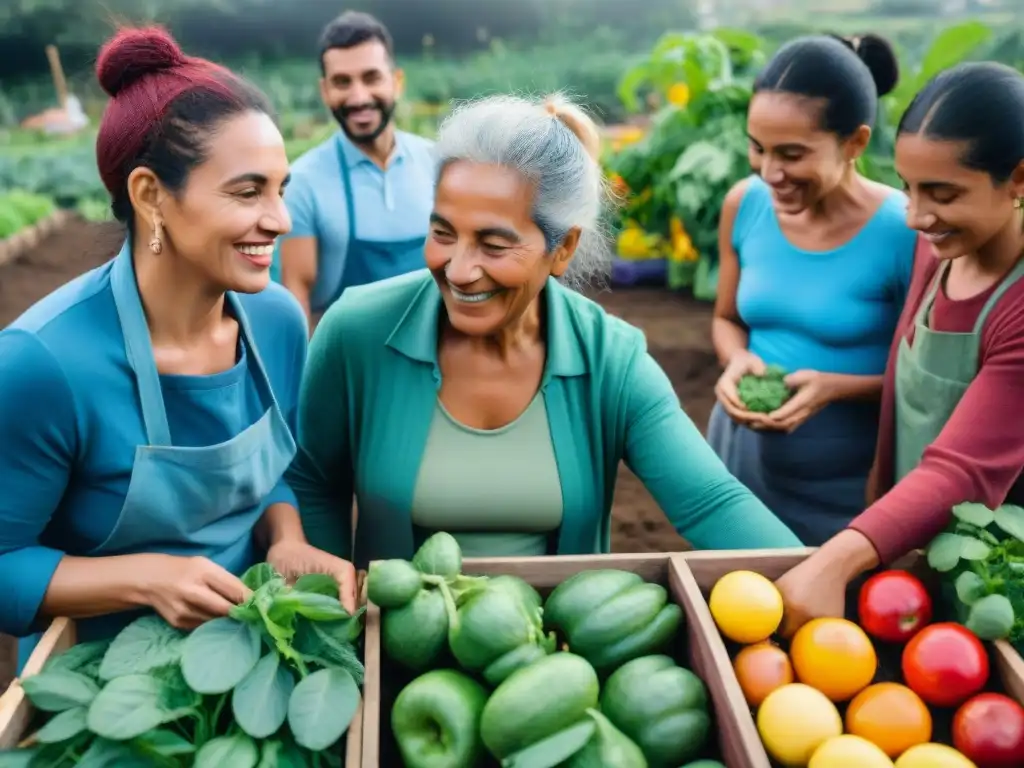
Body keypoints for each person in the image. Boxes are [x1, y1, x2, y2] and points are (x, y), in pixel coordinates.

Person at [285, 93, 802, 569]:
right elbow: (313, 481)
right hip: (396, 637)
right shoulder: (358, 333)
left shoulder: (610, 359)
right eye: (442, 233)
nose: (458, 270)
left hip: (553, 639)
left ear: (563, 249)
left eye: (494, 245)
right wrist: (337, 610)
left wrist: (812, 573)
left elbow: (710, 502)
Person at [0, 27, 355, 667]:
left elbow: (269, 475)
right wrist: (147, 579)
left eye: (281, 189)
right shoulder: (42, 362)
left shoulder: (276, 321)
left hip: (249, 653)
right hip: (101, 682)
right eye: (248, 192)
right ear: (150, 195)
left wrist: (285, 535)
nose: (280, 219)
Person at [775, 61, 1024, 633]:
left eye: (943, 193)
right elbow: (901, 373)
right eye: (908, 187)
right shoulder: (937, 251)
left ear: (1018, 179)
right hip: (905, 537)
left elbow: (964, 470)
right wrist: (875, 500)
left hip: (991, 573)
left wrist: (838, 558)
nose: (914, 215)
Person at [706, 34, 918, 545]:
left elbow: (926, 378)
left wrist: (836, 387)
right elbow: (727, 318)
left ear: (855, 143)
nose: (770, 172)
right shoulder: (744, 205)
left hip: (851, 487)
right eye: (758, 148)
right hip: (744, 465)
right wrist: (735, 360)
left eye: (792, 154)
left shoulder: (903, 231)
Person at [276, 11, 436, 331]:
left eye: (371, 77)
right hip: (347, 360)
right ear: (325, 91)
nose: (358, 97)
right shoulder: (302, 184)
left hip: (433, 355)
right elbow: (296, 304)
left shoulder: (438, 163)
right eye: (342, 82)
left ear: (397, 82)